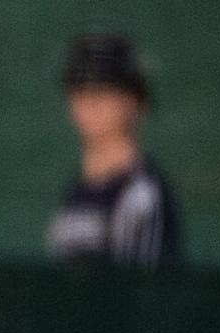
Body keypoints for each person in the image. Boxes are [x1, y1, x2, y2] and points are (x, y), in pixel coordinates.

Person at [46, 33, 180, 267]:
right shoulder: (74, 192)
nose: (91, 101)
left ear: (134, 101)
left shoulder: (143, 194)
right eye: (80, 90)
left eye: (105, 89)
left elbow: (145, 296)